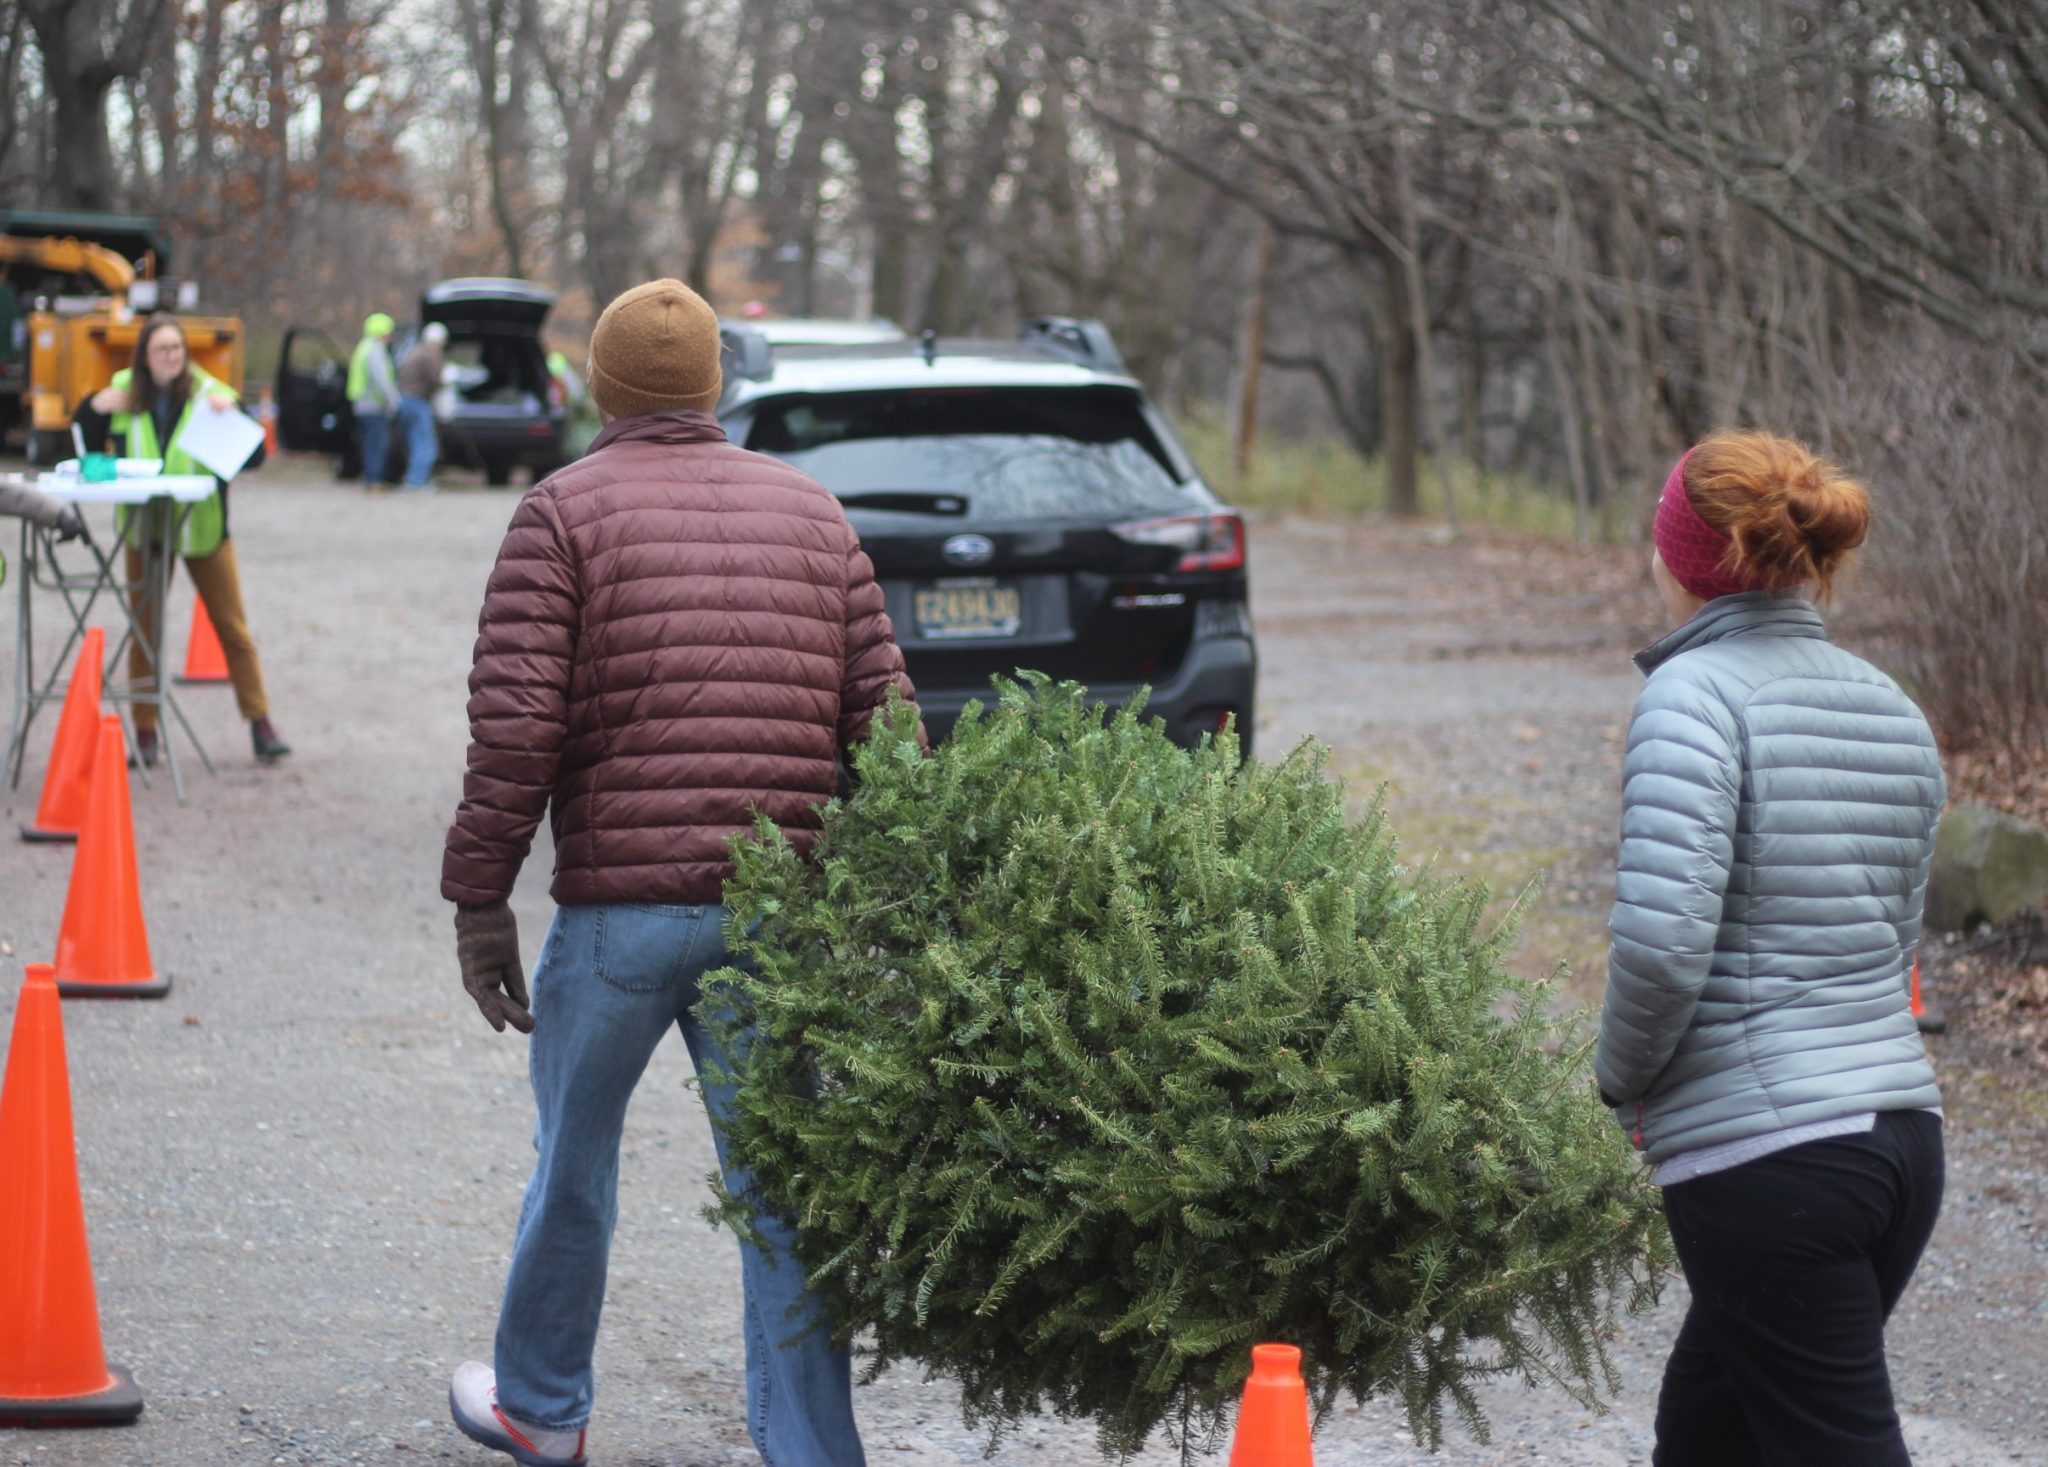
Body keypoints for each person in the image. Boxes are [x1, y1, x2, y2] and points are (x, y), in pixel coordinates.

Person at [441, 277, 922, 1467]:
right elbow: (892, 734)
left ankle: (542, 1410)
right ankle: (811, 1449)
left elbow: (515, 732)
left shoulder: (560, 513)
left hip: (616, 921)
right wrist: (896, 906)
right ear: (714, 386)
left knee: (573, 1167)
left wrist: (478, 902)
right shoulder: (813, 513)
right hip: (777, 917)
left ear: (602, 386)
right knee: (783, 1196)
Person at [1597, 430, 1946, 1467]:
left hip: (1770, 1165)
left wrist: (1620, 1083)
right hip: (1897, 1150)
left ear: (1680, 558)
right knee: (1707, 1434)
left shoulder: (1688, 699)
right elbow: (1891, 946)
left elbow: (1660, 949)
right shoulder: (1890, 706)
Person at [72, 314, 291, 766]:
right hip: (146, 531)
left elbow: (252, 458)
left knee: (232, 626)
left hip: (204, 529)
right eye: (162, 349)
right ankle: (146, 734)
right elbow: (86, 448)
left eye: (177, 348)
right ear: (145, 358)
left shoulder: (212, 394)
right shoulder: (124, 392)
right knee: (144, 629)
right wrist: (94, 408)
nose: (172, 356)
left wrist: (236, 416)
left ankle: (261, 724)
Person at [347, 311, 399, 488]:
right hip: (373, 405)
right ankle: (375, 480)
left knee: (369, 443)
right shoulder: (376, 351)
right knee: (377, 444)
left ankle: (370, 478)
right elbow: (382, 381)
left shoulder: (363, 347)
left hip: (362, 404)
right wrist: (394, 402)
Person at [396, 322, 445, 491]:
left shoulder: (415, 350)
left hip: (405, 400)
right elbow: (436, 380)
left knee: (414, 441)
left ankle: (413, 477)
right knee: (425, 442)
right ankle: (417, 481)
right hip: (418, 402)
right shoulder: (431, 355)